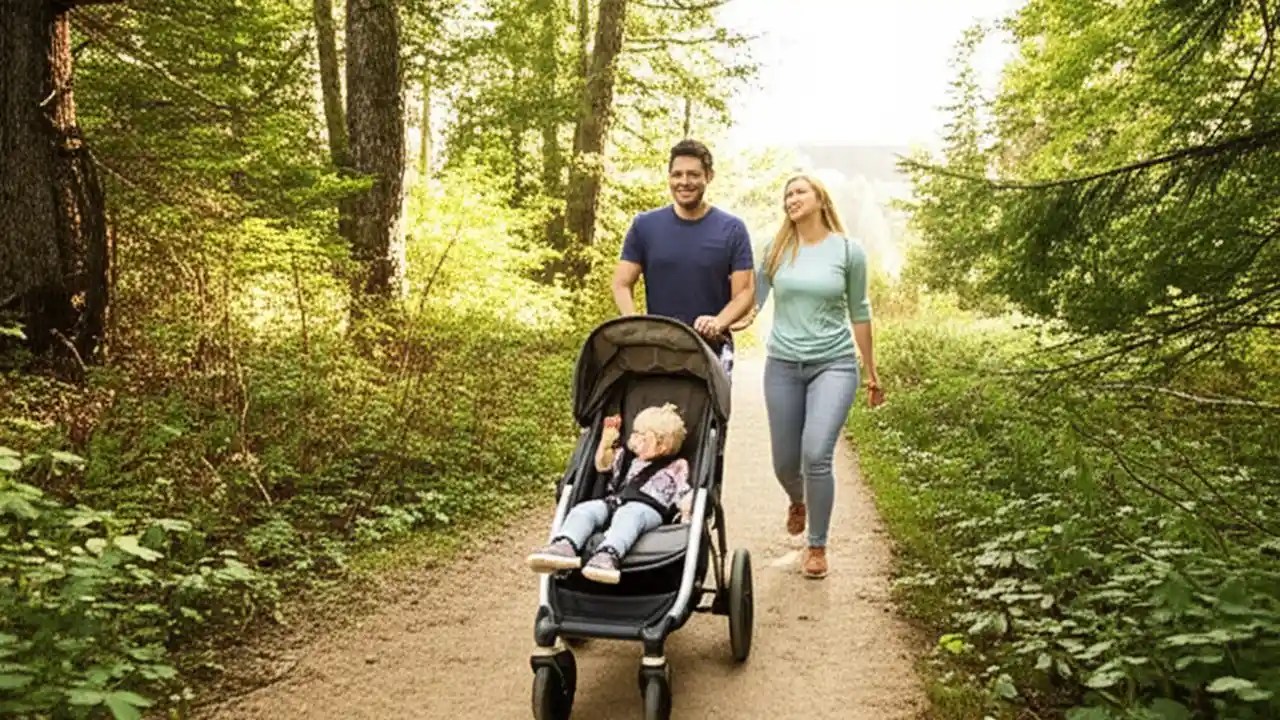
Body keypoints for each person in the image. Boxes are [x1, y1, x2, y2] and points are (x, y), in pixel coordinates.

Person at [752, 173, 885, 580]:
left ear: (819, 198)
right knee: (784, 463)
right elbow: (752, 303)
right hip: (783, 365)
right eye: (787, 194)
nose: (791, 199)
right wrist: (720, 325)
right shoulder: (775, 250)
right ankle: (798, 499)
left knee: (816, 454)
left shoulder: (848, 250)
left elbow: (860, 311)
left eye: (799, 191)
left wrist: (871, 372)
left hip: (834, 364)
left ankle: (817, 545)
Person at [611, 139, 755, 378]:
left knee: (708, 416)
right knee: (660, 416)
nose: (684, 182)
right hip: (658, 351)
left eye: (693, 174)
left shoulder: (732, 229)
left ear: (708, 176)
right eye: (677, 174)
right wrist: (636, 326)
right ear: (669, 177)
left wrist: (718, 322)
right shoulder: (645, 226)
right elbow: (621, 283)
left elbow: (744, 293)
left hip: (712, 351)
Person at [526, 403, 692, 584]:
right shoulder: (625, 458)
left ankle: (608, 554)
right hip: (614, 503)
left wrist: (687, 512)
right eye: (634, 433)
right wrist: (606, 441)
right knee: (585, 510)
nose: (634, 439)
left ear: (663, 445)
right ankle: (565, 545)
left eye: (642, 436)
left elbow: (684, 492)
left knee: (629, 515)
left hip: (648, 510)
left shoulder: (677, 466)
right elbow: (602, 464)